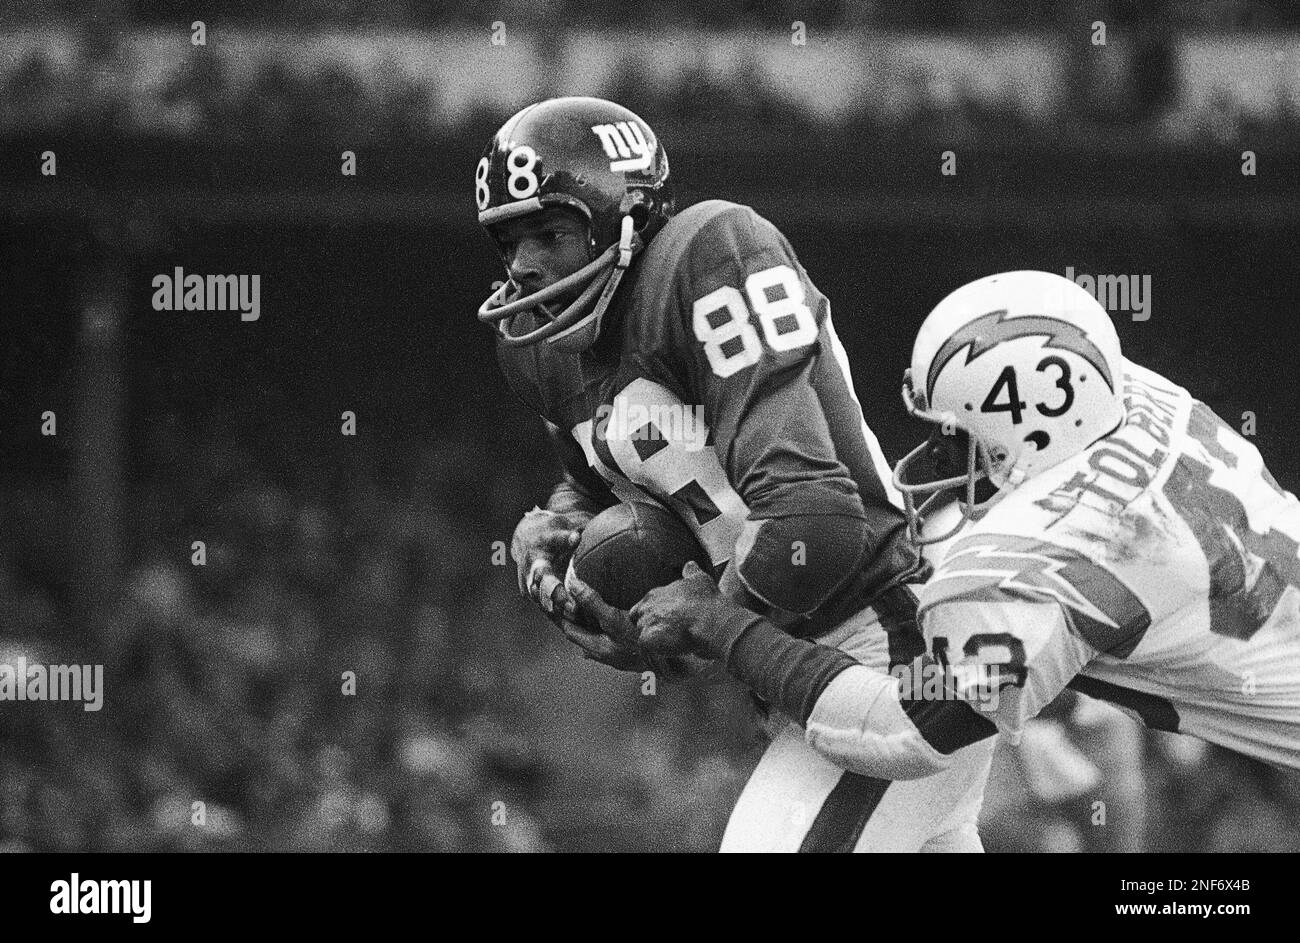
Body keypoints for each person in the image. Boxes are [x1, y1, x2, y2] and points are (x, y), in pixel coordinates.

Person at [480, 96, 993, 851]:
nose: (525, 266)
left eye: (551, 233)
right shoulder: (539, 349)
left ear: (628, 217)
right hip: (800, 678)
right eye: (510, 242)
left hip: (884, 648)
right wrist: (557, 536)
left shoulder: (709, 253)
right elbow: (603, 487)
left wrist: (696, 626)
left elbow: (814, 522)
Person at [626, 270, 1300, 779]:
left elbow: (909, 734)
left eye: (957, 436)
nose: (937, 456)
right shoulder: (1130, 389)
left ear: (1029, 424)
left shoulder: (1035, 566)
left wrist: (722, 626)